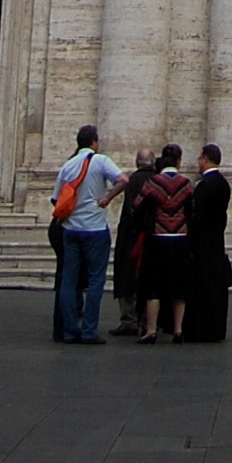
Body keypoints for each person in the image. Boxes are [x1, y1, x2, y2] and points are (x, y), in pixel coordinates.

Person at [52, 124, 128, 345]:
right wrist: (107, 198)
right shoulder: (100, 160)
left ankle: (69, 330)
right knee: (95, 281)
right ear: (94, 142)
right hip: (95, 228)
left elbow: (56, 199)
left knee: (69, 280)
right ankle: (88, 331)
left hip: (71, 229)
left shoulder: (68, 165)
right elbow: (123, 180)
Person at [137, 145, 193, 343]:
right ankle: (178, 330)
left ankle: (151, 330)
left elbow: (138, 207)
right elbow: (191, 211)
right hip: (180, 238)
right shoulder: (186, 184)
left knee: (153, 285)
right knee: (180, 286)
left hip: (158, 238)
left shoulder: (152, 183)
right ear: (178, 161)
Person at [180, 143, 232, 344]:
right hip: (216, 241)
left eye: (200, 159)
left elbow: (198, 216)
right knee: (215, 288)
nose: (198, 163)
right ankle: (215, 328)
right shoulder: (223, 184)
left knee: (202, 286)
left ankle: (201, 329)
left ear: (205, 159)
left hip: (202, 244)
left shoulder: (204, 185)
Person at [113, 149, 157, 334]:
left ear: (137, 163)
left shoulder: (132, 180)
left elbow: (131, 209)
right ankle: (148, 320)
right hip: (152, 234)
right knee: (150, 277)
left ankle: (129, 319)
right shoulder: (157, 179)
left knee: (126, 273)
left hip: (130, 234)